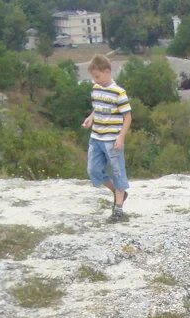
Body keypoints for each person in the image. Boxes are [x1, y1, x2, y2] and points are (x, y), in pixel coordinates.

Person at [82, 55, 131, 223]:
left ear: (107, 72)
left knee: (118, 171)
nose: (95, 80)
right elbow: (99, 107)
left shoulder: (119, 92)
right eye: (93, 77)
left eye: (97, 76)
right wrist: (91, 117)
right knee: (93, 170)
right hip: (96, 137)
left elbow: (128, 117)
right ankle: (119, 193)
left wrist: (121, 137)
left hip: (112, 139)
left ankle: (118, 210)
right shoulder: (96, 88)